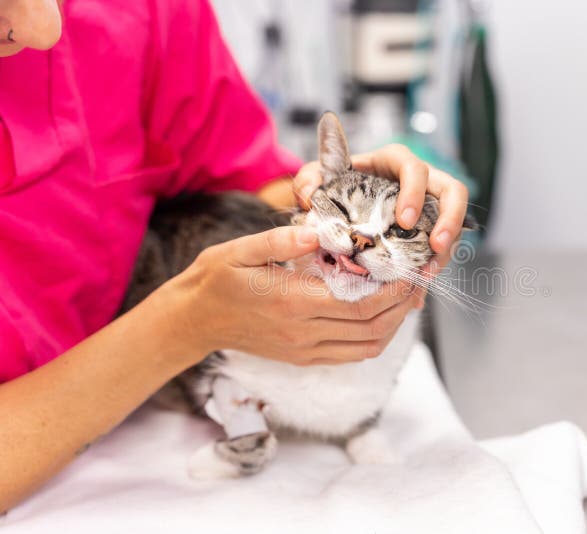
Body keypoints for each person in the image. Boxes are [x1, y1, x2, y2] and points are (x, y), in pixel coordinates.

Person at [0, 0, 468, 511]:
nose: (45, 28)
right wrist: (182, 326)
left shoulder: (150, 11)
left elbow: (246, 183)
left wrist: (338, 195)